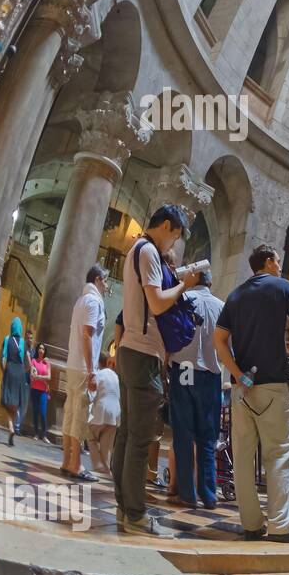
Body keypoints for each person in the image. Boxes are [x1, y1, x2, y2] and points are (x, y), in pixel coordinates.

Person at [214, 244, 289, 544]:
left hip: (242, 388)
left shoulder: (235, 295)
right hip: (273, 385)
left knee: (243, 457)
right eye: (279, 261)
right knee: (279, 455)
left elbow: (219, 341)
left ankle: (251, 524)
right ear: (268, 262)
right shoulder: (282, 287)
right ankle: (282, 525)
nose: (280, 267)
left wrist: (238, 373)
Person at [111, 206, 198, 537]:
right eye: (175, 235)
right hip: (143, 353)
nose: (173, 243)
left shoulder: (138, 249)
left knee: (127, 434)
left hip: (132, 351)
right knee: (140, 438)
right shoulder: (147, 250)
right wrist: (184, 285)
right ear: (167, 226)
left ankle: (125, 507)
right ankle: (135, 514)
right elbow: (159, 303)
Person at [166, 271, 225, 509]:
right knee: (207, 438)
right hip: (210, 374)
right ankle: (209, 494)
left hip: (184, 369)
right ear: (210, 282)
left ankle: (187, 494)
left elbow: (170, 334)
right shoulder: (222, 306)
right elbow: (227, 344)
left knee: (183, 433)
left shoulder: (183, 299)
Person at [64, 265, 108, 478]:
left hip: (72, 364)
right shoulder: (94, 301)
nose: (107, 285)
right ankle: (76, 464)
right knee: (80, 416)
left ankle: (66, 461)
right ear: (98, 279)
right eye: (105, 280)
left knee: (70, 413)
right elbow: (87, 335)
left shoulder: (80, 300)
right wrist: (92, 370)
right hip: (83, 367)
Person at [87, 351, 120, 474]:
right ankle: (106, 471)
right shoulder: (116, 376)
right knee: (107, 449)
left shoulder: (99, 374)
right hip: (115, 414)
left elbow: (92, 392)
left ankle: (97, 465)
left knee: (90, 436)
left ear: (98, 363)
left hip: (101, 410)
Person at [0, 317, 29, 443]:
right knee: (16, 403)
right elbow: (29, 364)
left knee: (6, 402)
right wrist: (23, 371)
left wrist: (4, 371)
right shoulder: (23, 342)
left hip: (9, 370)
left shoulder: (7, 339)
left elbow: (2, 359)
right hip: (20, 372)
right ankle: (12, 426)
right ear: (20, 328)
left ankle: (11, 427)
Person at [29, 343, 52, 442]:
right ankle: (35, 434)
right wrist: (40, 377)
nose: (41, 350)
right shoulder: (33, 361)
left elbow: (49, 377)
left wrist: (38, 377)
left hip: (43, 391)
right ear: (37, 350)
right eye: (39, 348)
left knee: (42, 413)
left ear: (44, 351)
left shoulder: (47, 363)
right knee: (35, 412)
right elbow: (32, 374)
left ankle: (44, 435)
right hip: (34, 389)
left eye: (42, 349)